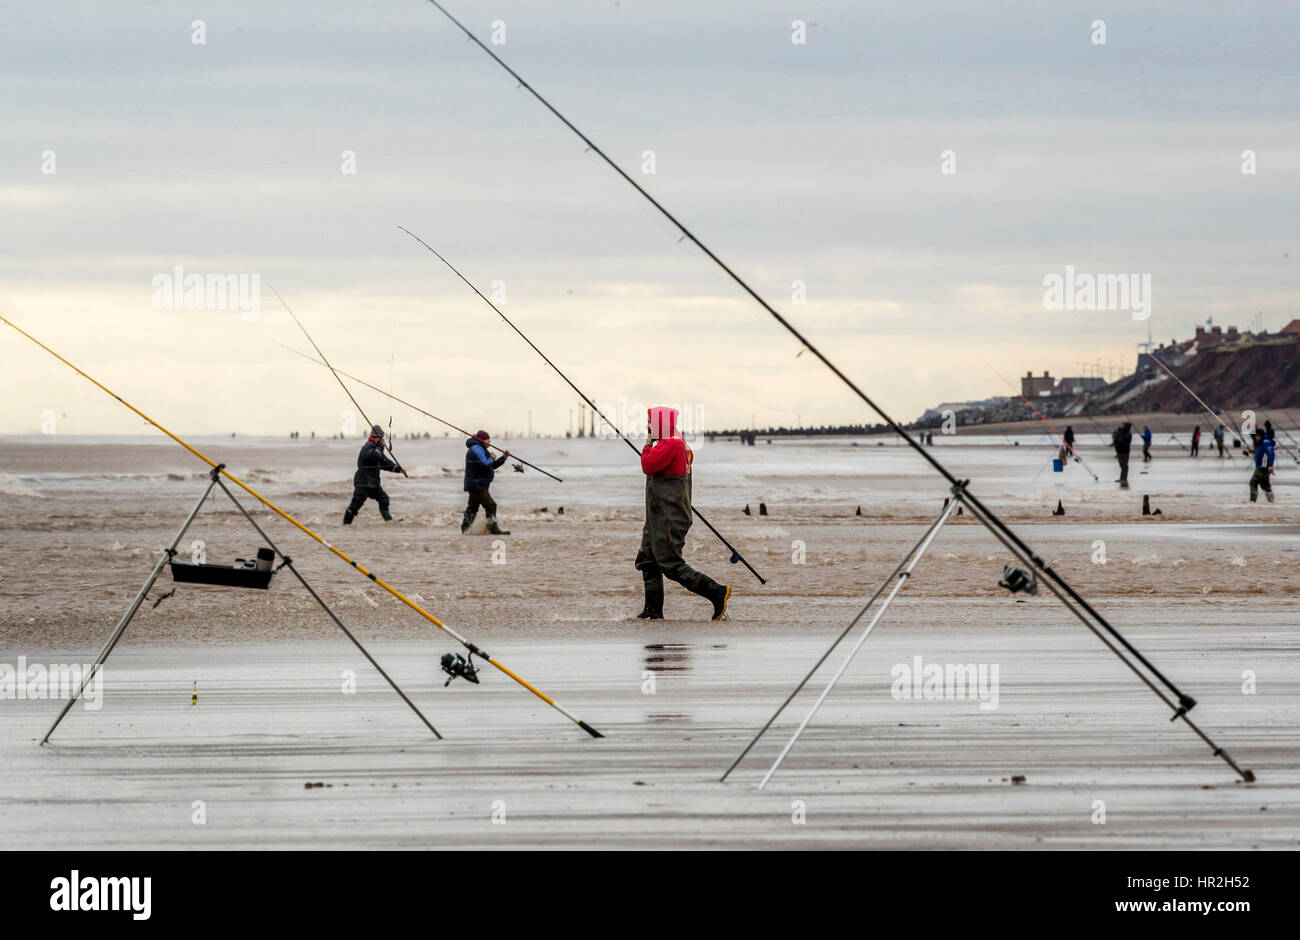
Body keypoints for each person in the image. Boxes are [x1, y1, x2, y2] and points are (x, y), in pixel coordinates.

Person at [635, 406, 731, 621]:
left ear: (660, 423)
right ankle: (652, 611)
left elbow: (648, 465)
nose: (648, 426)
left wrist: (647, 443)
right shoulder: (675, 441)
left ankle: (716, 592)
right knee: (647, 560)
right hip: (658, 516)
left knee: (670, 564)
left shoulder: (671, 443)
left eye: (651, 422)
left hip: (668, 518)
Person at [344, 425, 404, 524]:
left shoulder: (377, 448)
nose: (383, 441)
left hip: (373, 483)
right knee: (355, 506)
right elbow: (373, 457)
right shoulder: (368, 447)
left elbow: (384, 462)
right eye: (382, 439)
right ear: (377, 438)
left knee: (384, 499)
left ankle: (389, 521)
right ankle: (345, 526)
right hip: (363, 483)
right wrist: (381, 447)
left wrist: (398, 469)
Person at [462, 430, 510, 535]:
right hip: (476, 485)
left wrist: (503, 458)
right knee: (491, 505)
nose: (490, 442)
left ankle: (465, 530)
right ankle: (493, 529)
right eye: (488, 441)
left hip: (478, 484)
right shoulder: (476, 449)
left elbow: (491, 466)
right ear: (482, 440)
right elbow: (485, 464)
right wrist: (492, 458)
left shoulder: (481, 448)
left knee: (472, 508)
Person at [1249, 429, 1275, 503]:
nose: (1256, 437)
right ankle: (1271, 501)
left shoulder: (1266, 442)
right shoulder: (1261, 443)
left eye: (1257, 436)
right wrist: (1252, 451)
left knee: (1253, 482)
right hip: (1262, 467)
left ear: (1261, 435)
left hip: (1262, 467)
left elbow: (1271, 454)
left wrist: (1270, 465)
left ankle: (1252, 501)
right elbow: (1261, 453)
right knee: (1265, 485)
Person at [1111, 421, 1133, 487]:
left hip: (1125, 451)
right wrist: (1115, 437)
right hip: (1120, 451)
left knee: (1124, 465)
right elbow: (1118, 437)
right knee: (1122, 465)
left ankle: (1124, 479)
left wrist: (1116, 439)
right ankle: (1121, 478)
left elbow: (1122, 440)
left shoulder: (1128, 434)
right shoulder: (1122, 432)